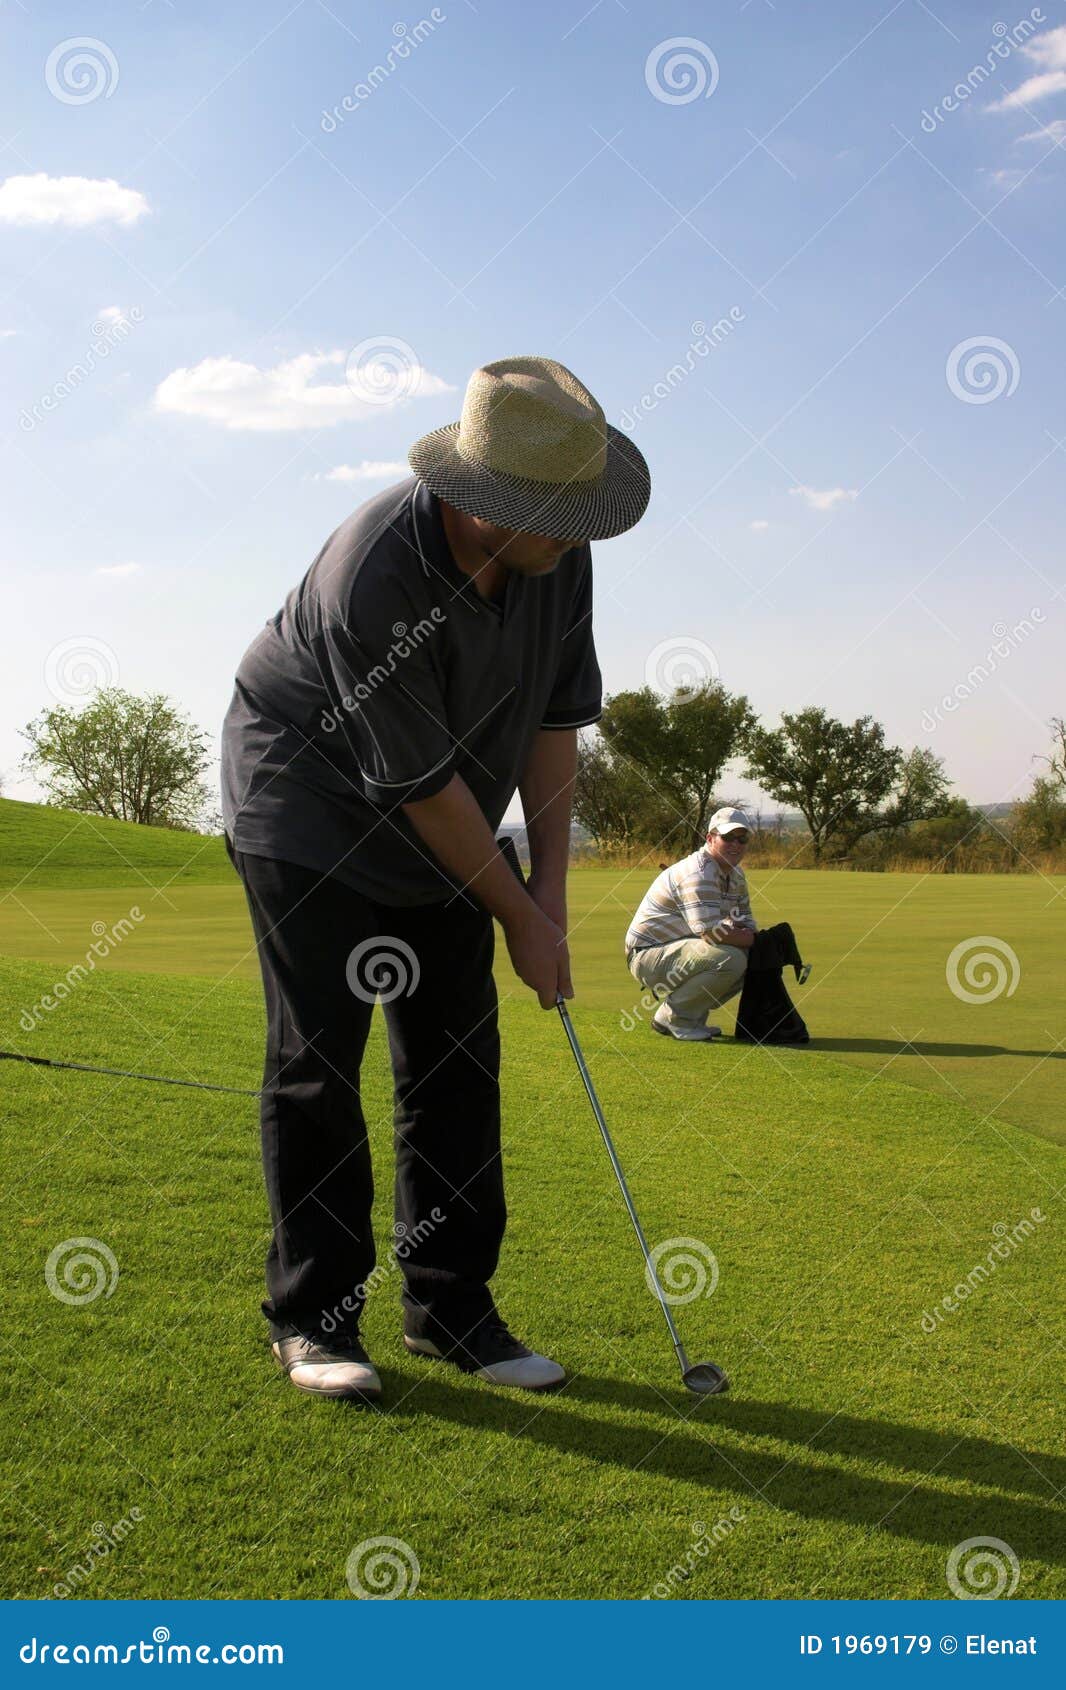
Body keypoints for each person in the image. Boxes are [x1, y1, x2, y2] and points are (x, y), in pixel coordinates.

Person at [220, 356, 651, 1401]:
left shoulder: (556, 556)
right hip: (308, 805)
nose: (571, 533)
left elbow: (552, 730)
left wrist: (547, 902)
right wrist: (511, 913)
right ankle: (314, 1321)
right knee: (321, 1060)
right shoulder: (372, 573)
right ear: (477, 498)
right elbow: (418, 788)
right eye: (552, 513)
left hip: (445, 800)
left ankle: (453, 1310)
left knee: (456, 1058)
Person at [624, 808, 757, 1042]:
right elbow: (710, 933)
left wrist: (756, 942)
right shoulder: (699, 872)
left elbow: (745, 919)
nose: (736, 844)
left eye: (742, 838)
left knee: (755, 958)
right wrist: (756, 940)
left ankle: (681, 1017)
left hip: (679, 950)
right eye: (727, 837)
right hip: (646, 954)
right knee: (731, 959)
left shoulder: (736, 875)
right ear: (710, 838)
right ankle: (680, 1020)